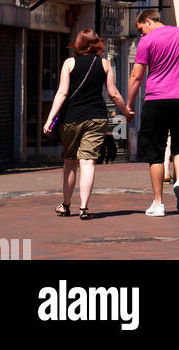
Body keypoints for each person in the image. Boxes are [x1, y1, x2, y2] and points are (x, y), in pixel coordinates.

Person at [127, 7, 179, 216]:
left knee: (155, 151)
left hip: (157, 100)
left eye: (141, 29)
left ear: (148, 21)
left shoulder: (147, 41)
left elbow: (136, 76)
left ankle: (158, 203)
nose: (141, 34)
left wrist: (129, 103)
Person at [43, 28, 132, 220]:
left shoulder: (69, 63)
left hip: (71, 118)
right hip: (96, 117)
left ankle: (66, 205)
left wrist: (50, 118)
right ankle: (84, 208)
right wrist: (125, 111)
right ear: (97, 43)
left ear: (79, 43)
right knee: (88, 161)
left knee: (70, 162)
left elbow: (62, 93)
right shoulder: (105, 64)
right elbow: (113, 93)